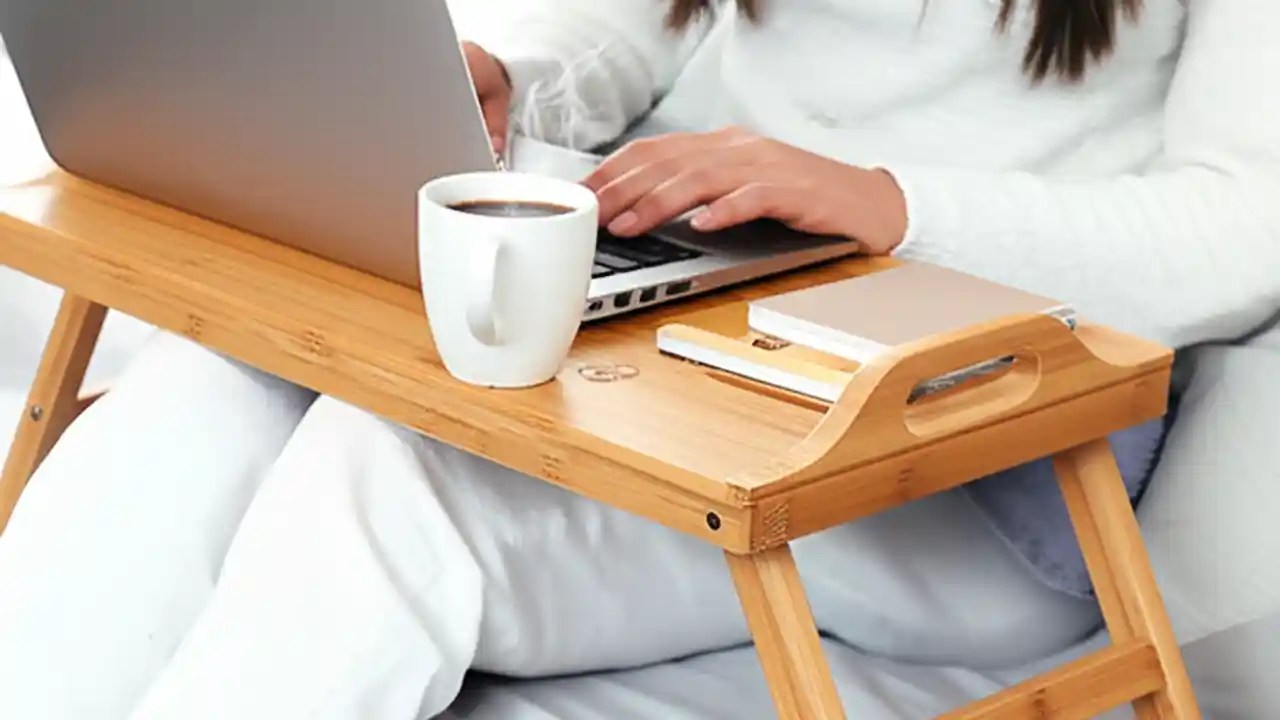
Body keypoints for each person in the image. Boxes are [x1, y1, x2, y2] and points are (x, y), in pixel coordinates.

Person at [1, 0, 1277, 718]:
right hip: (713, 326)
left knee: (387, 471)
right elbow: (649, 27)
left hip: (977, 459)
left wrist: (883, 200)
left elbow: (1244, 222)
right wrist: (515, 85)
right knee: (212, 390)